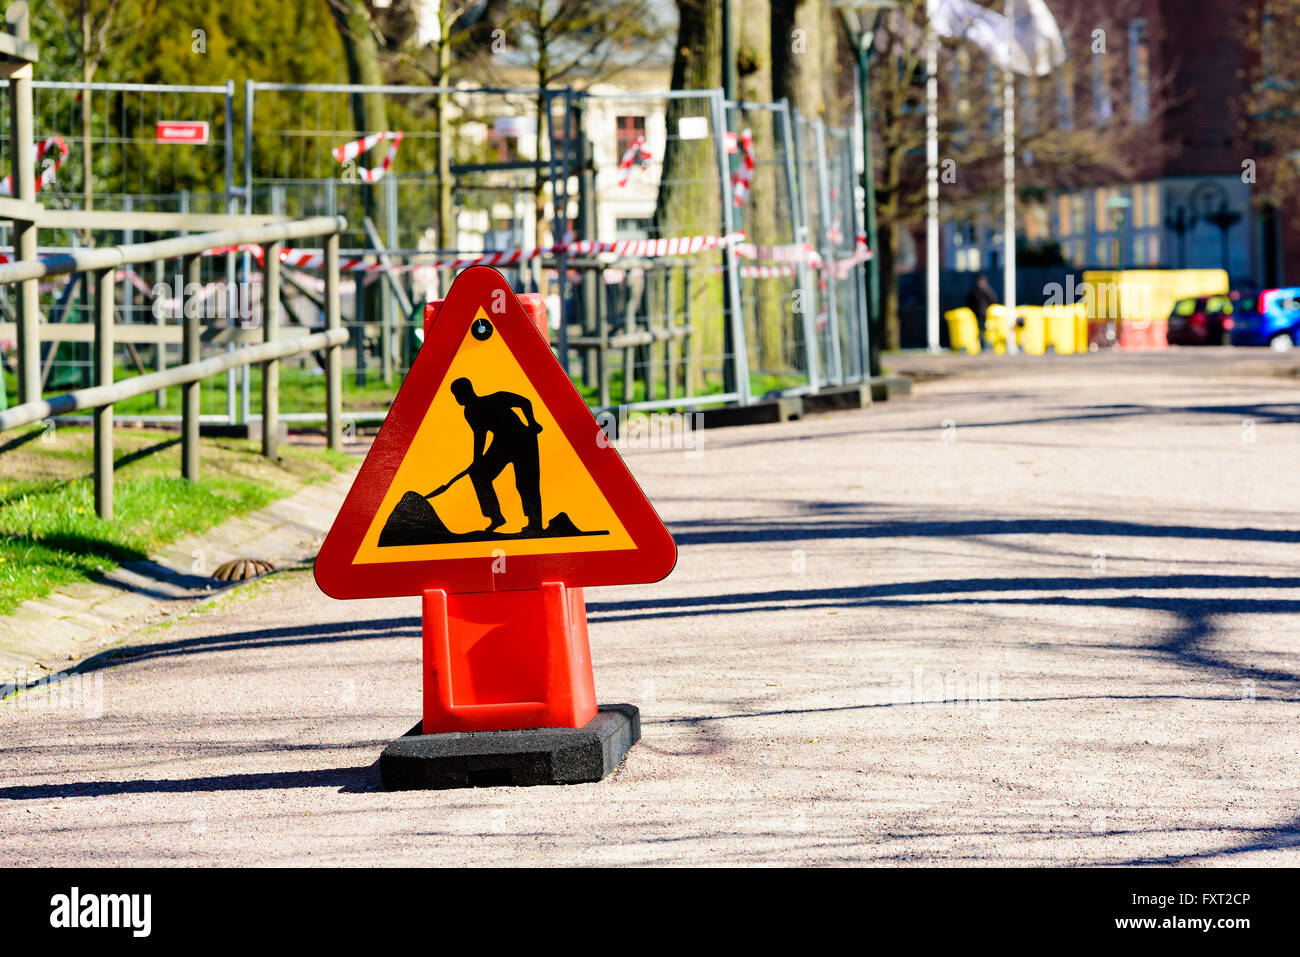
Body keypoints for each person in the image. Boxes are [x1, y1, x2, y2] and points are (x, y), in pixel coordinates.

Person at [450, 377, 544, 534]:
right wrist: (477, 460)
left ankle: (535, 523)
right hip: (502, 443)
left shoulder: (497, 398)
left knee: (526, 483)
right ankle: (495, 516)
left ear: (467, 391)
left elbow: (525, 402)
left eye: (458, 393)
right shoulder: (470, 412)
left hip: (523, 440)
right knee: (478, 474)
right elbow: (480, 436)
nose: (457, 398)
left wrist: (532, 423)